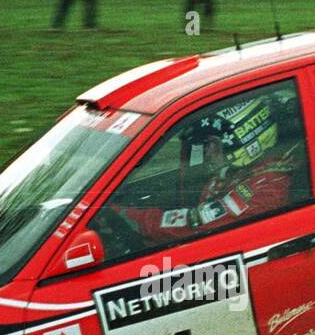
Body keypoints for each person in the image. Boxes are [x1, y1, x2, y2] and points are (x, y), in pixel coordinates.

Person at [114, 97, 302, 246]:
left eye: (214, 145)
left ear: (245, 142)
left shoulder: (265, 187)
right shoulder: (241, 170)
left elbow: (194, 223)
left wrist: (133, 218)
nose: (208, 152)